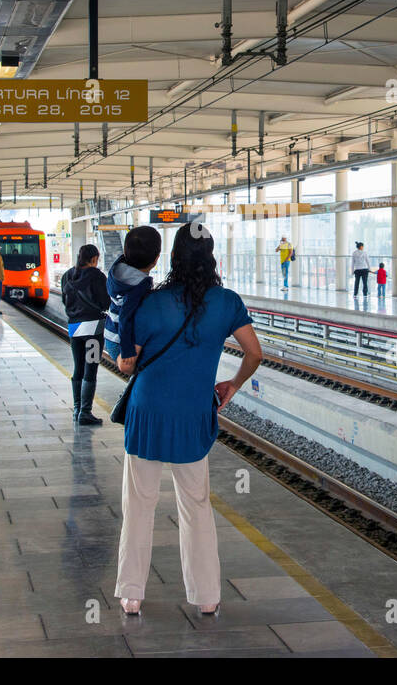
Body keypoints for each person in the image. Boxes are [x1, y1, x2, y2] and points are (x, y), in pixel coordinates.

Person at [113, 222, 263, 617]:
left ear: (173, 257)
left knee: (138, 505)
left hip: (147, 414)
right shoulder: (227, 302)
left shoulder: (151, 303)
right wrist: (233, 384)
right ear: (210, 256)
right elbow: (254, 353)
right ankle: (206, 595)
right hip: (193, 415)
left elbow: (128, 364)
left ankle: (132, 594)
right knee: (196, 506)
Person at [61, 244, 109, 426]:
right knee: (91, 368)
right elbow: (105, 302)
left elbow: (65, 301)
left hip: (74, 328)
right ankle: (85, 412)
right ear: (94, 259)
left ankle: (77, 409)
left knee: (78, 367)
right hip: (93, 329)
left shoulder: (67, 276)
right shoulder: (97, 276)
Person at [105, 225, 162, 365]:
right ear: (156, 259)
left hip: (110, 333)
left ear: (125, 252)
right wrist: (127, 349)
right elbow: (126, 315)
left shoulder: (116, 270)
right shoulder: (138, 286)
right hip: (120, 341)